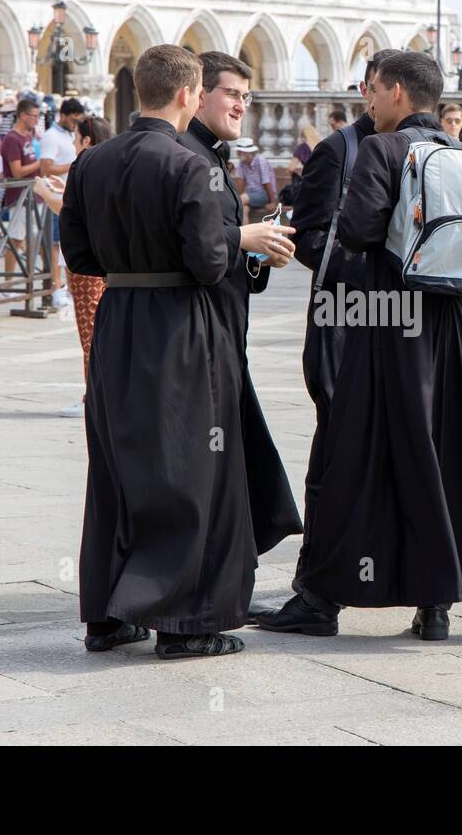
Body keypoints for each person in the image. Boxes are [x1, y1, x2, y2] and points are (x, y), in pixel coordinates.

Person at [257, 51, 462, 642]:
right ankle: (435, 606)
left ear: (398, 93)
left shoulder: (382, 150)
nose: (368, 101)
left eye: (374, 90)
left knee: (356, 456)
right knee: (455, 457)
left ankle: (321, 600)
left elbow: (354, 231)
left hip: (396, 328)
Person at [60, 44, 260, 660]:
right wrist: (241, 239)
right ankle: (186, 622)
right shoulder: (188, 165)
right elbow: (207, 262)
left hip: (119, 322)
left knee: (117, 469)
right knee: (192, 469)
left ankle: (108, 616)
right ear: (186, 95)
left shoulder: (91, 162)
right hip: (180, 327)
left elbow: (81, 256)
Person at [177, 51, 303, 603]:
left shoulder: (214, 157)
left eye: (248, 97)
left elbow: (219, 247)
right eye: (232, 93)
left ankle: (230, 574)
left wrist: (257, 253)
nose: (241, 105)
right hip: (197, 335)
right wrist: (242, 241)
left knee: (244, 458)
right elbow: (191, 251)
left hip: (227, 333)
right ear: (197, 92)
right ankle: (212, 584)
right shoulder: (184, 156)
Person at [286, 47, 397, 595]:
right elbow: (309, 237)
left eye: (376, 86)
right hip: (346, 318)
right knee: (336, 444)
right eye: (366, 86)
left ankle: (426, 596)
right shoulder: (339, 149)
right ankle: (318, 583)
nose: (369, 97)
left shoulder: (443, 150)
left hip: (411, 328)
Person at [35, 116, 113, 417]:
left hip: (84, 265)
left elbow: (68, 208)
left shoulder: (87, 165)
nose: (72, 143)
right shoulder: (106, 166)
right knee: (99, 331)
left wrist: (44, 192)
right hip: (103, 261)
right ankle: (100, 395)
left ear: (87, 141)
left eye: (76, 138)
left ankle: (92, 399)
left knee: (90, 333)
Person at [40, 98, 84, 309]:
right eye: (72, 119)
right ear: (63, 115)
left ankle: (66, 285)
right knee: (56, 243)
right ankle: (56, 285)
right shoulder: (51, 136)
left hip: (70, 195)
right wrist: (75, 165)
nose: (74, 124)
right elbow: (46, 167)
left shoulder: (69, 134)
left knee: (68, 242)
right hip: (56, 195)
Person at [0, 98, 42, 281]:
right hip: (19, 196)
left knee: (36, 240)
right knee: (16, 238)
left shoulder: (29, 137)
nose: (36, 120)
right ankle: (8, 281)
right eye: (34, 116)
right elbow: (17, 171)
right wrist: (40, 163)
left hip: (35, 194)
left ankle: (30, 278)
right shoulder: (12, 139)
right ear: (23, 116)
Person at [234, 137, 277, 223]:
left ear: (246, 152)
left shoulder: (260, 160)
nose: (237, 153)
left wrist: (273, 202)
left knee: (242, 198)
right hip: (251, 196)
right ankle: (245, 234)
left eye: (239, 151)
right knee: (244, 209)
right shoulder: (242, 163)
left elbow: (266, 182)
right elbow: (240, 182)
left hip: (264, 195)